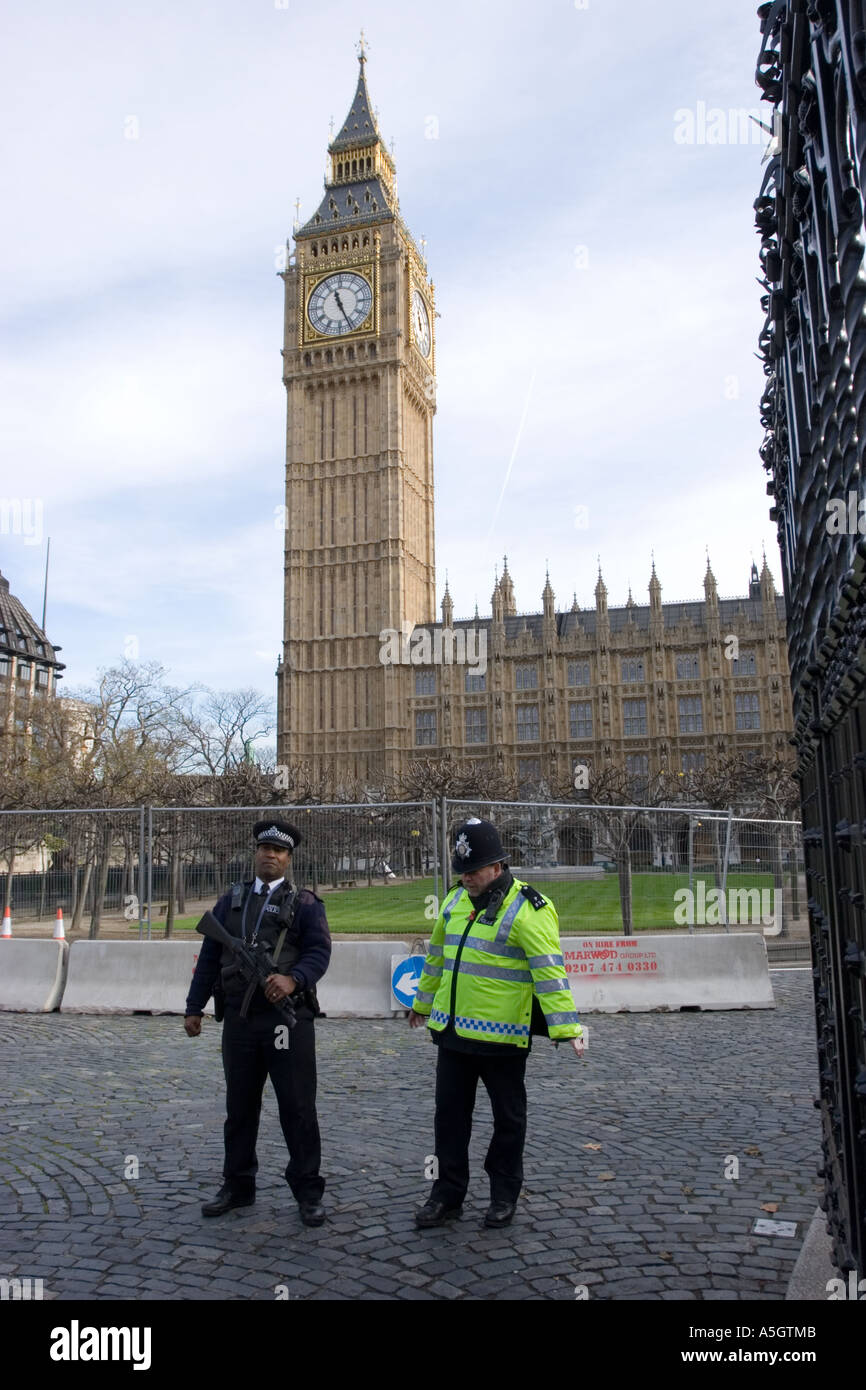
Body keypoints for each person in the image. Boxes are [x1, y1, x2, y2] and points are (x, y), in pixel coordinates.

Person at [409, 817, 584, 1229]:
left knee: (508, 1121)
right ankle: (446, 1196)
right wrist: (422, 1004)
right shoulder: (454, 900)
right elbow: (436, 958)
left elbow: (549, 971)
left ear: (498, 865)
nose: (467, 878)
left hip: (502, 1040)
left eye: (474, 871)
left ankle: (503, 1195)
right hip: (452, 1036)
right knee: (449, 1121)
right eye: (462, 871)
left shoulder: (529, 907)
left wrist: (567, 1027)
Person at [185, 819, 331, 1227]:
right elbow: (209, 958)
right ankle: (237, 1184)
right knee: (240, 1107)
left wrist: (293, 979)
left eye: (279, 851)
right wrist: (194, 1007)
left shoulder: (304, 904)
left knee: (298, 1109)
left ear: (289, 859)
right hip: (241, 1021)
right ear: (256, 853)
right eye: (265, 848)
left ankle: (307, 1190)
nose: (271, 855)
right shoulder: (230, 901)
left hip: (289, 1023)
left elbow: (319, 953)